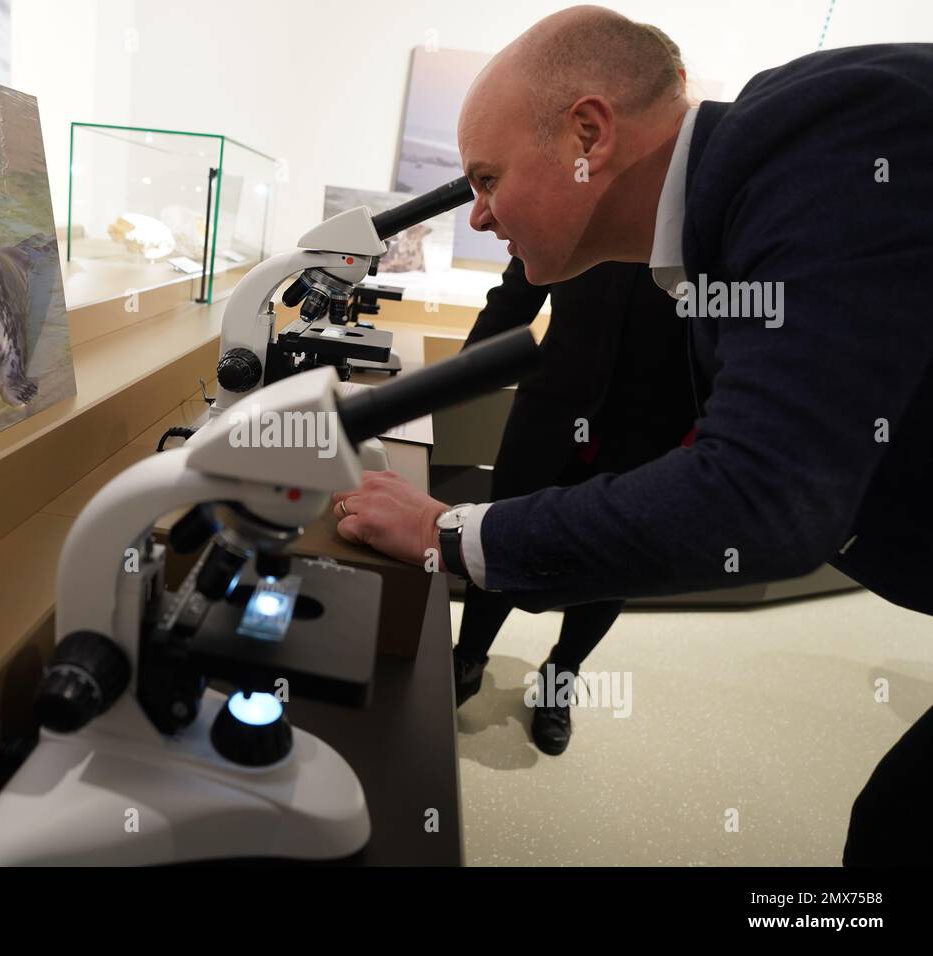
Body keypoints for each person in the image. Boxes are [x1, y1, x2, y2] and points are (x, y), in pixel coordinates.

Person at [332, 6, 933, 864]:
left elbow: (763, 498)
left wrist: (441, 529)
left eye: (487, 180)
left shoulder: (825, 131)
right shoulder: (729, 209)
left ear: (588, 133)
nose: (479, 216)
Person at [455, 256, 693, 757]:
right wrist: (465, 370)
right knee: (501, 531)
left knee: (616, 561)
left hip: (654, 426)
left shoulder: (709, 208)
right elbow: (520, 285)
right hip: (552, 406)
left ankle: (560, 678)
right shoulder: (572, 183)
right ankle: (467, 659)